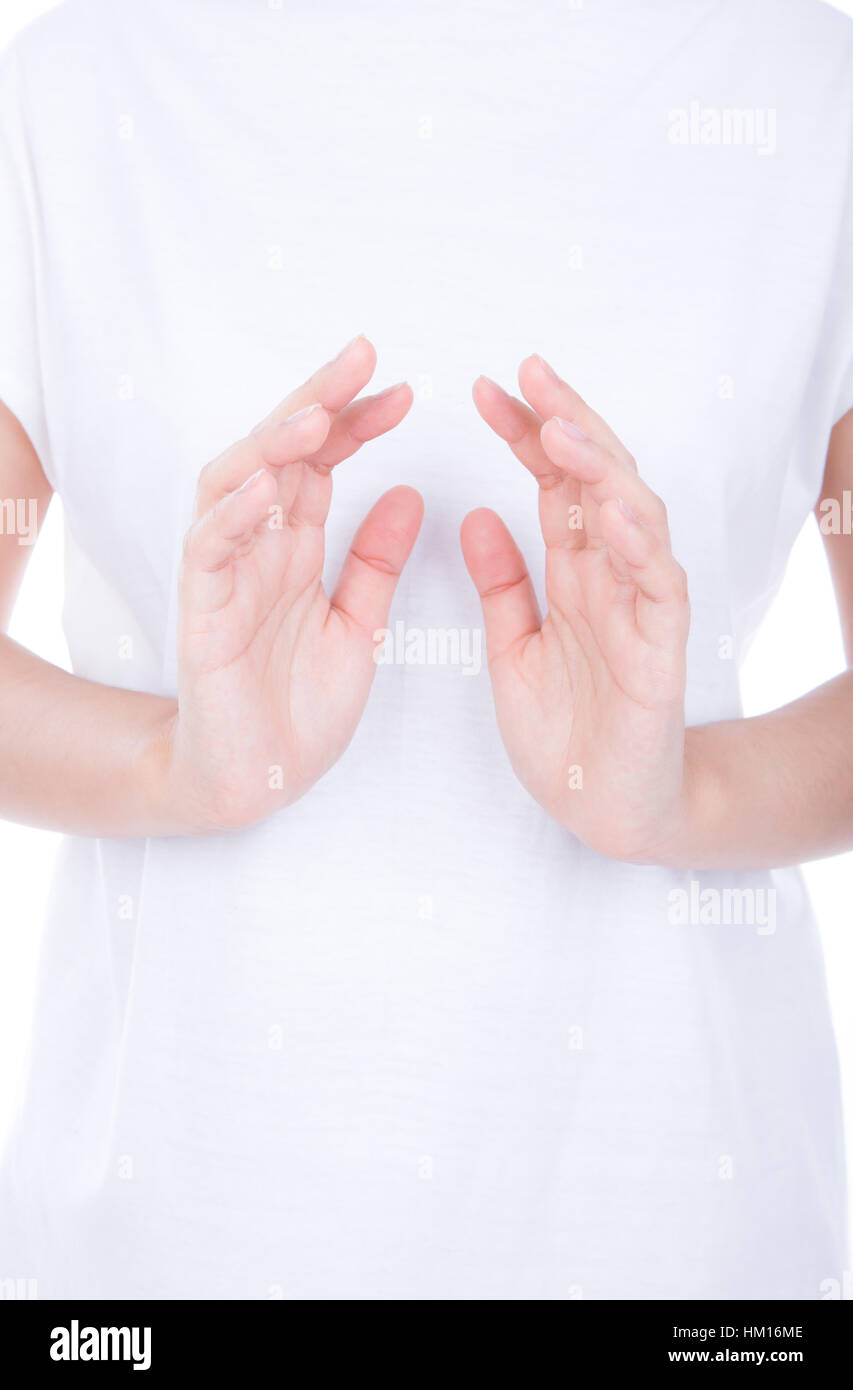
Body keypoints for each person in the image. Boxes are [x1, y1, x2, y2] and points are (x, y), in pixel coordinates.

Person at [0, 0, 852, 1300]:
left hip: (687, 1263)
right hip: (163, 1268)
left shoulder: (809, 87)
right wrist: (177, 767)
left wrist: (679, 795)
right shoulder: (66, 89)